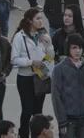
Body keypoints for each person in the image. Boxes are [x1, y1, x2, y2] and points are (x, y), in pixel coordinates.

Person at [11, 9, 54, 138]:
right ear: (30, 20)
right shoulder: (20, 36)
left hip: (40, 77)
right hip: (25, 78)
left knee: (38, 112)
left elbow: (50, 57)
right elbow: (14, 59)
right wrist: (31, 62)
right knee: (27, 109)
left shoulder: (44, 35)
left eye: (41, 18)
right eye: (38, 18)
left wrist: (49, 45)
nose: (41, 21)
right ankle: (23, 134)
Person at [51, 33, 84, 138]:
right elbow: (56, 96)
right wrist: (62, 121)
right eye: (74, 48)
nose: (78, 51)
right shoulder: (59, 68)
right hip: (68, 120)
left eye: (80, 48)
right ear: (68, 48)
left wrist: (83, 68)